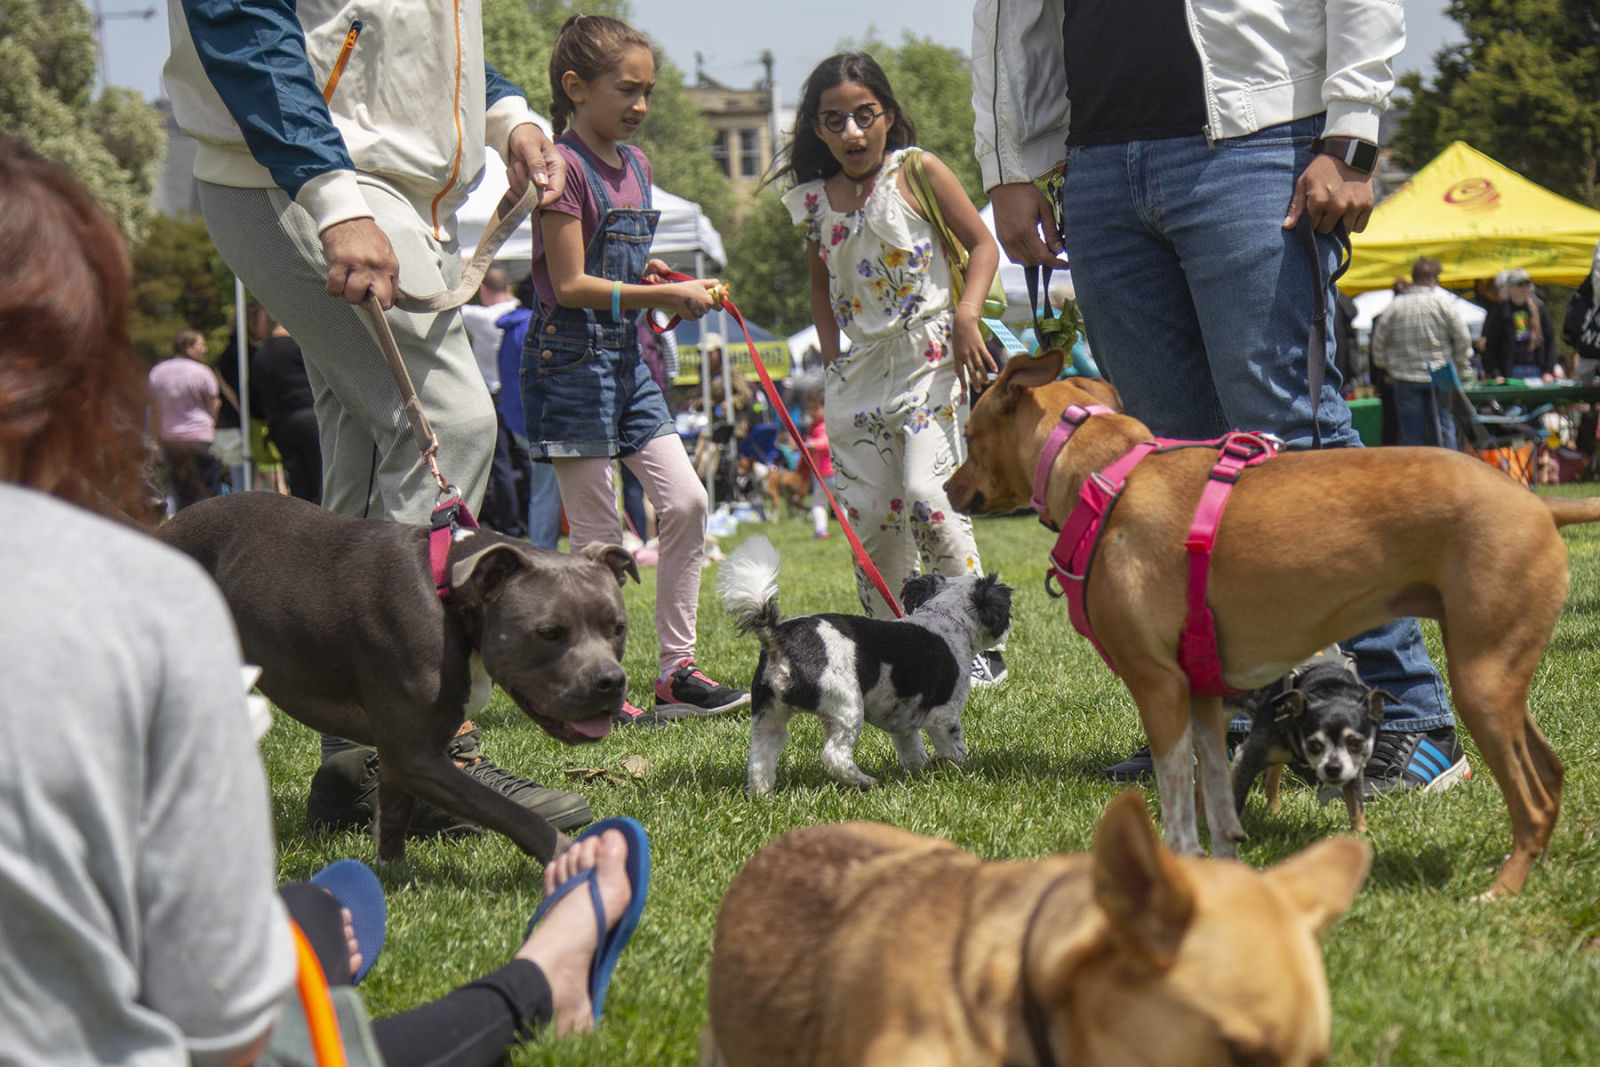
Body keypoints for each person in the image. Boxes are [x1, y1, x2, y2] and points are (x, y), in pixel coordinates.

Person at [0, 133, 646, 1067]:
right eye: (553, 640)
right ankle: (541, 976)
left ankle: (353, 878)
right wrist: (543, 838)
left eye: (606, 640)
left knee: (329, 892)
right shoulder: (153, 604)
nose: (598, 670)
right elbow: (228, 1026)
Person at [974, 0, 1466, 791]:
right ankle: (1228, 716)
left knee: (1293, 439)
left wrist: (1351, 133)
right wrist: (1008, 163)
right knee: (1168, 472)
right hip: (1095, 162)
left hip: (1258, 138)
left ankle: (1406, 715)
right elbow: (1008, 15)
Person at [164, 0, 590, 829]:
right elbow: (244, 21)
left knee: (363, 446)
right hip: (301, 172)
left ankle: (358, 764)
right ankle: (418, 751)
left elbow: (421, 46)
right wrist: (332, 199)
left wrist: (508, 118)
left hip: (382, 191)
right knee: (451, 423)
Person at [522, 14, 749, 722]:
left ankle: (675, 672)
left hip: (626, 362)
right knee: (598, 545)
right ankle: (596, 682)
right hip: (569, 364)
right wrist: (660, 294)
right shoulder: (562, 171)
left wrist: (648, 271)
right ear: (575, 87)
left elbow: (609, 265)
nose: (642, 106)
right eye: (628, 90)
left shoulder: (638, 166)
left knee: (685, 502)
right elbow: (570, 284)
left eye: (648, 91)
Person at [776, 51, 1009, 686]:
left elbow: (984, 244)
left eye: (863, 115)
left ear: (886, 114)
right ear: (818, 130)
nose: (851, 132)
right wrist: (831, 355)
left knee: (930, 495)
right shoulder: (815, 203)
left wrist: (965, 315)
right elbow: (821, 290)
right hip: (858, 374)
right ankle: (892, 644)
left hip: (928, 356)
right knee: (873, 519)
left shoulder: (919, 170)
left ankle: (980, 635)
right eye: (834, 121)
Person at [1370, 256, 1475, 448]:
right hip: (1440, 373)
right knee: (1444, 431)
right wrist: (1460, 361)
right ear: (1433, 279)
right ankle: (1447, 471)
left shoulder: (1395, 307)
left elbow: (1378, 343)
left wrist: (1386, 367)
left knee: (1411, 434)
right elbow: (1463, 337)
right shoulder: (1443, 303)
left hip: (1405, 377)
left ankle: (1416, 475)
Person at [460, 266, 530, 537]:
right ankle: (531, 519)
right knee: (528, 460)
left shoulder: (480, 316)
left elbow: (452, 306)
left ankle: (509, 526)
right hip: (520, 393)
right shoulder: (522, 312)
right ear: (509, 288)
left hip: (492, 396)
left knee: (500, 464)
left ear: (485, 290)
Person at [248, 304, 324, 503]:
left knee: (299, 485)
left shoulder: (260, 353)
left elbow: (254, 397)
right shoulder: (302, 347)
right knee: (322, 480)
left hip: (280, 423)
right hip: (310, 416)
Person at [1482, 267, 1558, 382]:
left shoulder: (1540, 310)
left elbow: (1550, 341)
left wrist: (1548, 371)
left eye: (1527, 284)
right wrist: (1496, 373)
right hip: (1510, 370)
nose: (1524, 288)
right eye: (1520, 284)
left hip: (1537, 369)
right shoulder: (1500, 312)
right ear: (1510, 288)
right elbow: (1490, 346)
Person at [801, 390, 835, 540]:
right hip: (831, 474)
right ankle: (853, 530)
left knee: (818, 504)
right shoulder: (815, 426)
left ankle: (821, 530)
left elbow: (826, 440)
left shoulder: (823, 425)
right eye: (809, 408)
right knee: (841, 505)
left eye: (815, 408)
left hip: (826, 474)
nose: (811, 412)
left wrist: (812, 444)